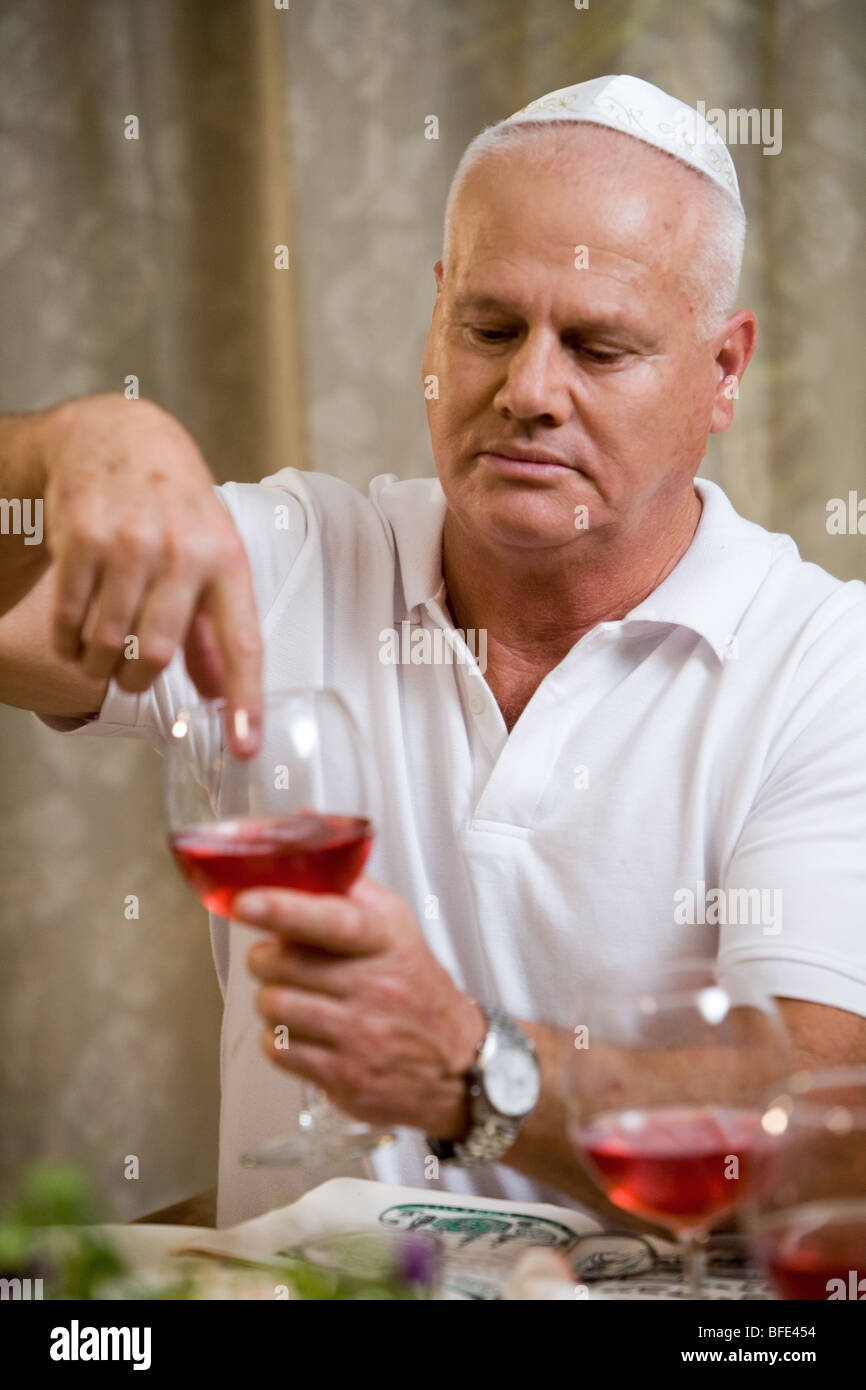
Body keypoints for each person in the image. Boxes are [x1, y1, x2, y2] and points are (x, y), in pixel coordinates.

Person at [1, 76, 864, 1229]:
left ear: (722, 369)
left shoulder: (824, 663)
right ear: (436, 313)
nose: (527, 391)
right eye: (489, 328)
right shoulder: (296, 558)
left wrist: (474, 1070)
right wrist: (64, 448)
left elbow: (815, 1135)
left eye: (598, 347)